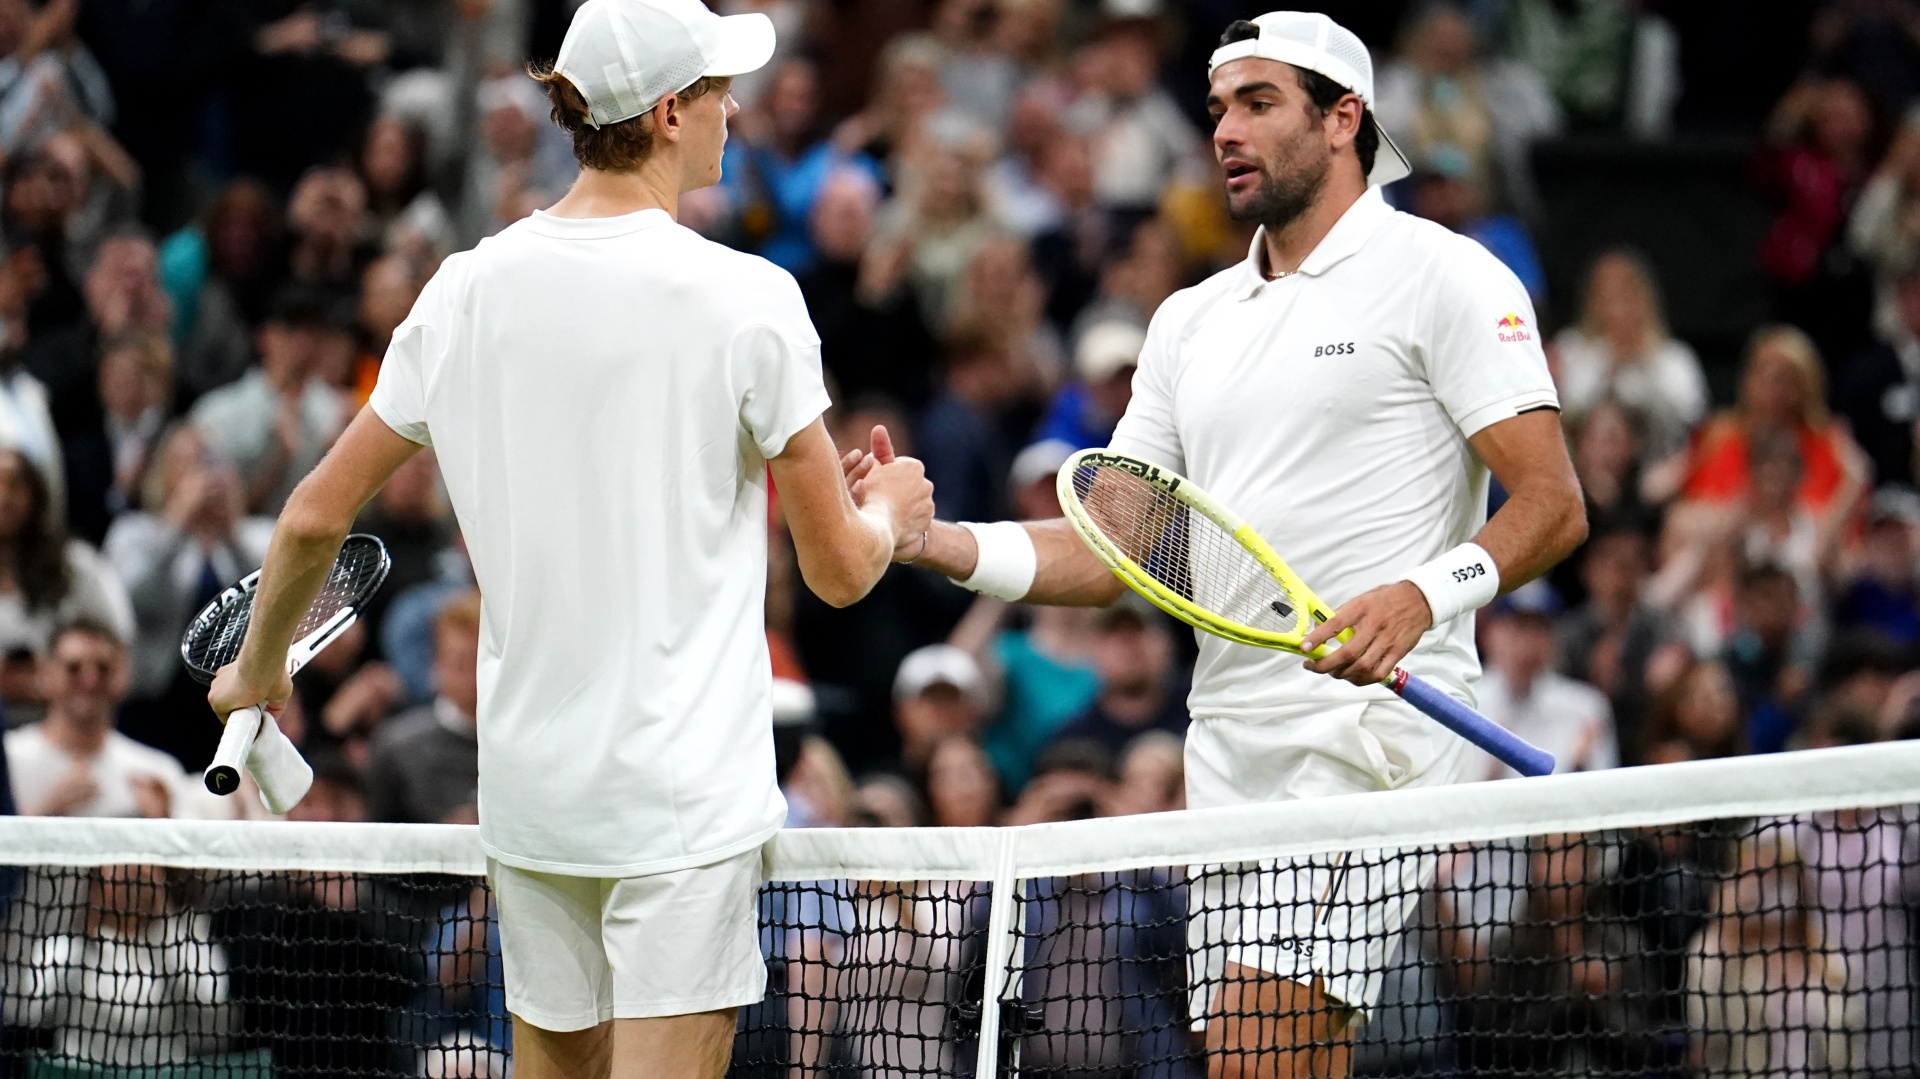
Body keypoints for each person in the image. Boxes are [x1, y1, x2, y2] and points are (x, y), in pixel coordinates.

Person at [205, 5, 934, 1079]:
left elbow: (314, 513)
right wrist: (894, 515)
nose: (734, 110)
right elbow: (834, 569)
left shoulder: (463, 290)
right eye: (719, 91)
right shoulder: (750, 296)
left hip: (536, 800)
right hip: (681, 805)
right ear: (670, 111)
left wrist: (256, 670)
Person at [897, 13, 1585, 1076]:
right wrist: (938, 540)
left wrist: (1420, 594)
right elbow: (1114, 548)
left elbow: (1552, 503)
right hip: (1227, 736)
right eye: (1219, 107)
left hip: (1369, 732)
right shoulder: (1188, 321)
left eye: (1259, 103)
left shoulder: (1447, 276)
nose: (1225, 130)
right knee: (1273, 1056)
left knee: (1261, 1051)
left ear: (1343, 119)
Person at [5, 619, 185, 818]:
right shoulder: (8, 760)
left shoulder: (156, 771)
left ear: (123, 675)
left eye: (103, 668)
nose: (89, 680)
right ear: (46, 674)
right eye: (73, 668)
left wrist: (162, 821)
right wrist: (46, 811)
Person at [1550, 248, 1709, 458]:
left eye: (1626, 295)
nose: (1618, 308)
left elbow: (1693, 417)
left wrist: (1646, 363)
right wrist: (1609, 364)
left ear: (1646, 299)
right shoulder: (1570, 347)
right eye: (1605, 295)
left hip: (1659, 468)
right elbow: (1567, 411)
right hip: (1582, 466)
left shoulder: (1674, 357)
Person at [1474, 582, 1617, 779]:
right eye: (1518, 628)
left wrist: (1577, 769)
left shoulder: (1584, 707)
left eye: (1539, 629)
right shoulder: (1464, 703)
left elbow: (1605, 791)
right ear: (1489, 634)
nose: (1527, 643)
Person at [363, 589, 480, 824]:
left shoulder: (531, 740)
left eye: (479, 663)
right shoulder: (396, 747)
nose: (472, 679)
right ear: (436, 662)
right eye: (461, 664)